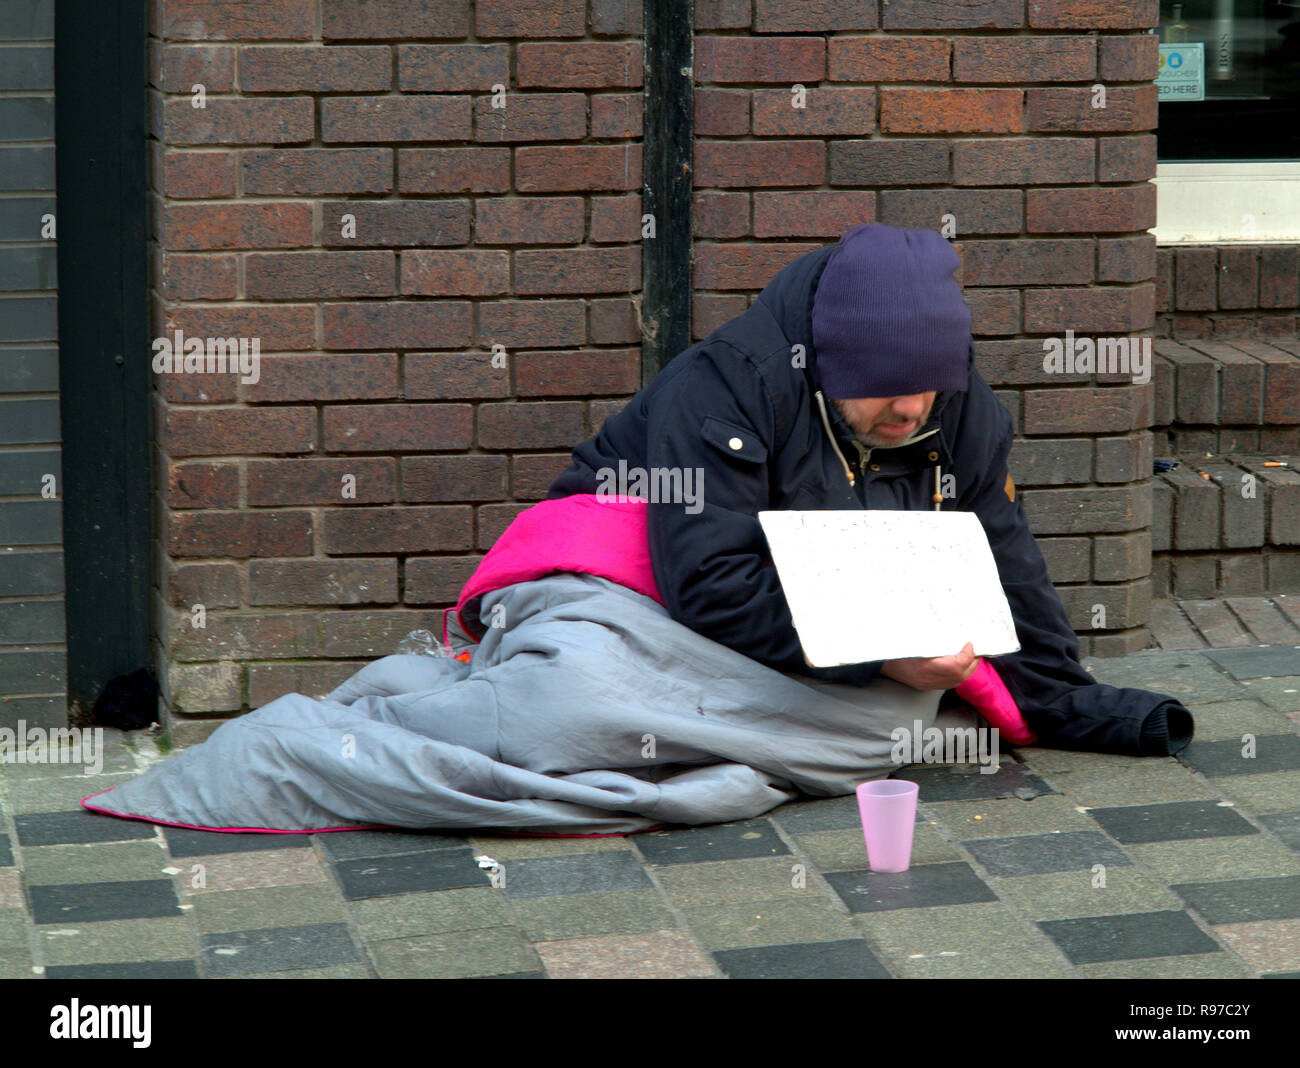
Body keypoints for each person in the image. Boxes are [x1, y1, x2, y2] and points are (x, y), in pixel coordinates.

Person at [85, 223, 1191, 836]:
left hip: (801, 630)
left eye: (927, 396)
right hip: (623, 587)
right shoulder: (721, 389)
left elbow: (1003, 563)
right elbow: (707, 580)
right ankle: (331, 743)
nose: (910, 417)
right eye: (883, 398)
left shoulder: (961, 412)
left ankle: (706, 732)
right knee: (577, 710)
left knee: (907, 728)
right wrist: (879, 654)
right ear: (826, 368)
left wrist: (1077, 707)